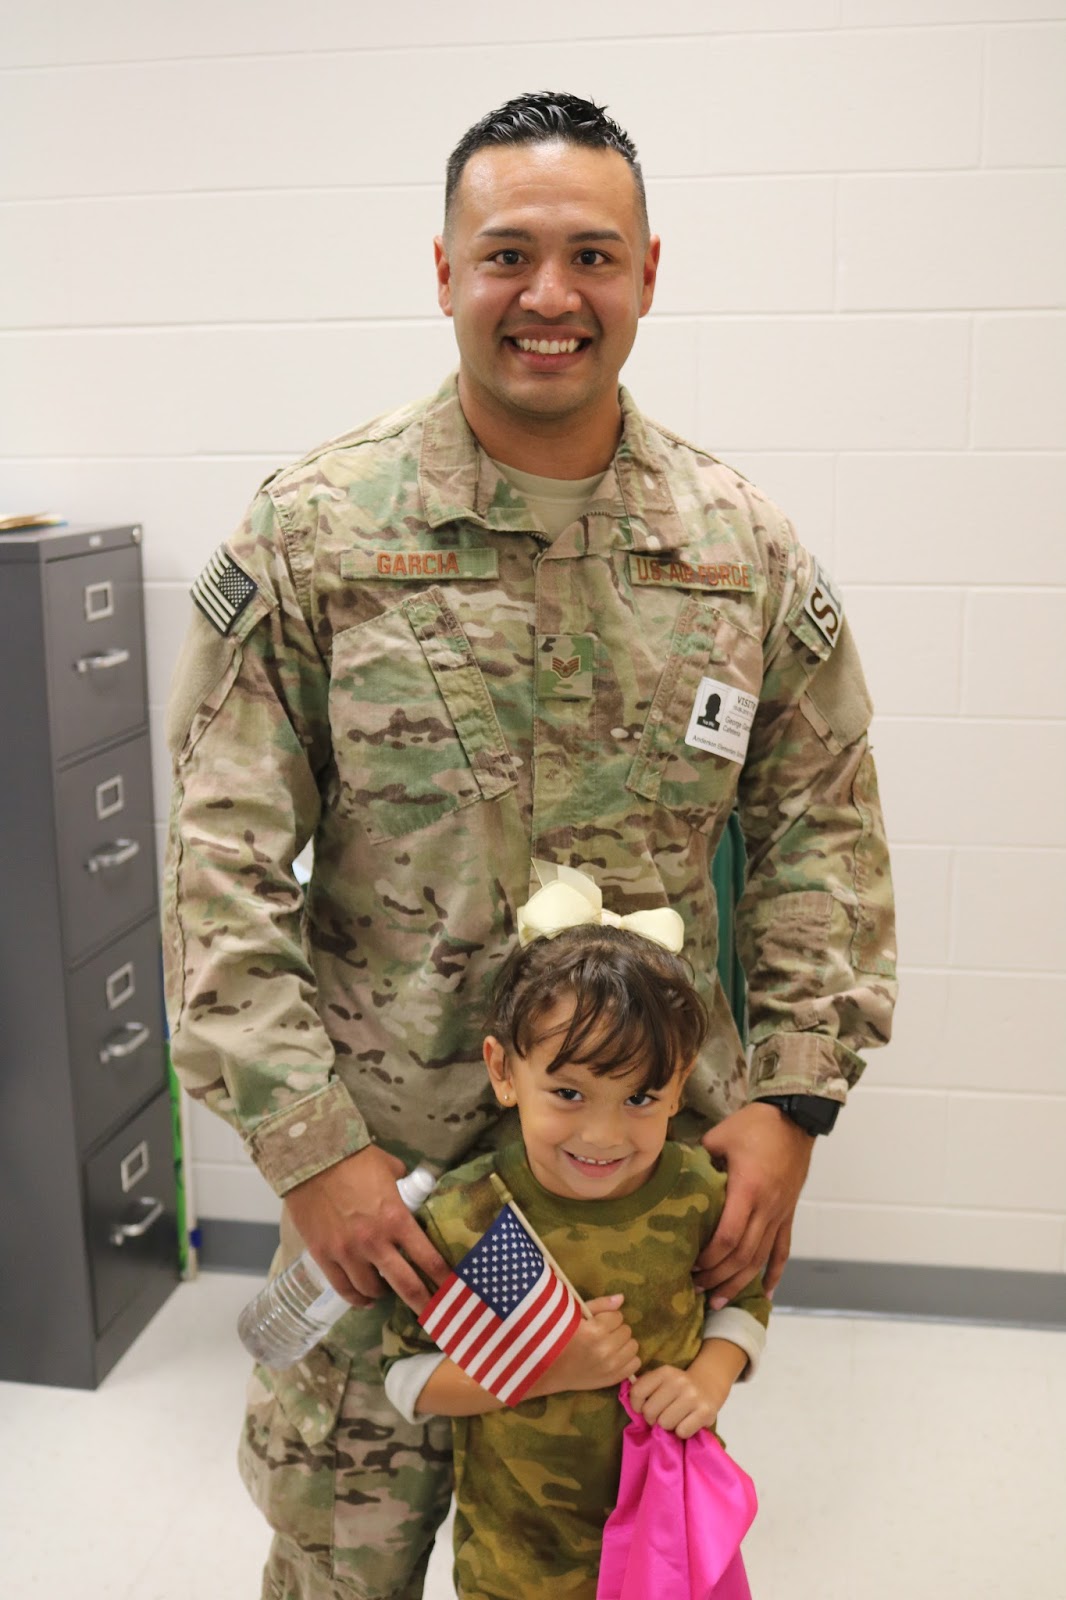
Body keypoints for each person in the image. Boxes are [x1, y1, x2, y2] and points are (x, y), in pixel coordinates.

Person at [163, 89, 896, 1600]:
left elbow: (823, 829)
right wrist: (312, 1155)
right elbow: (215, 868)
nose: (549, 296)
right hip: (395, 1201)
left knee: (591, 1553)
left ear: (645, 273)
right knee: (337, 1559)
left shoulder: (736, 548)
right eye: (507, 255)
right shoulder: (314, 537)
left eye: (591, 255)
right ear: (442, 272)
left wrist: (793, 1110)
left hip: (627, 1181)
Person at [382, 911, 771, 1600]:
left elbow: (742, 1296)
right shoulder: (468, 1216)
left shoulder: (695, 1196)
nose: (603, 1134)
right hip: (517, 1565)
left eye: (641, 1097)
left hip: (667, 1546)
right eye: (568, 1093)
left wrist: (708, 1379)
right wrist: (544, 1370)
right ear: (503, 1071)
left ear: (680, 1086)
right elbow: (408, 1378)